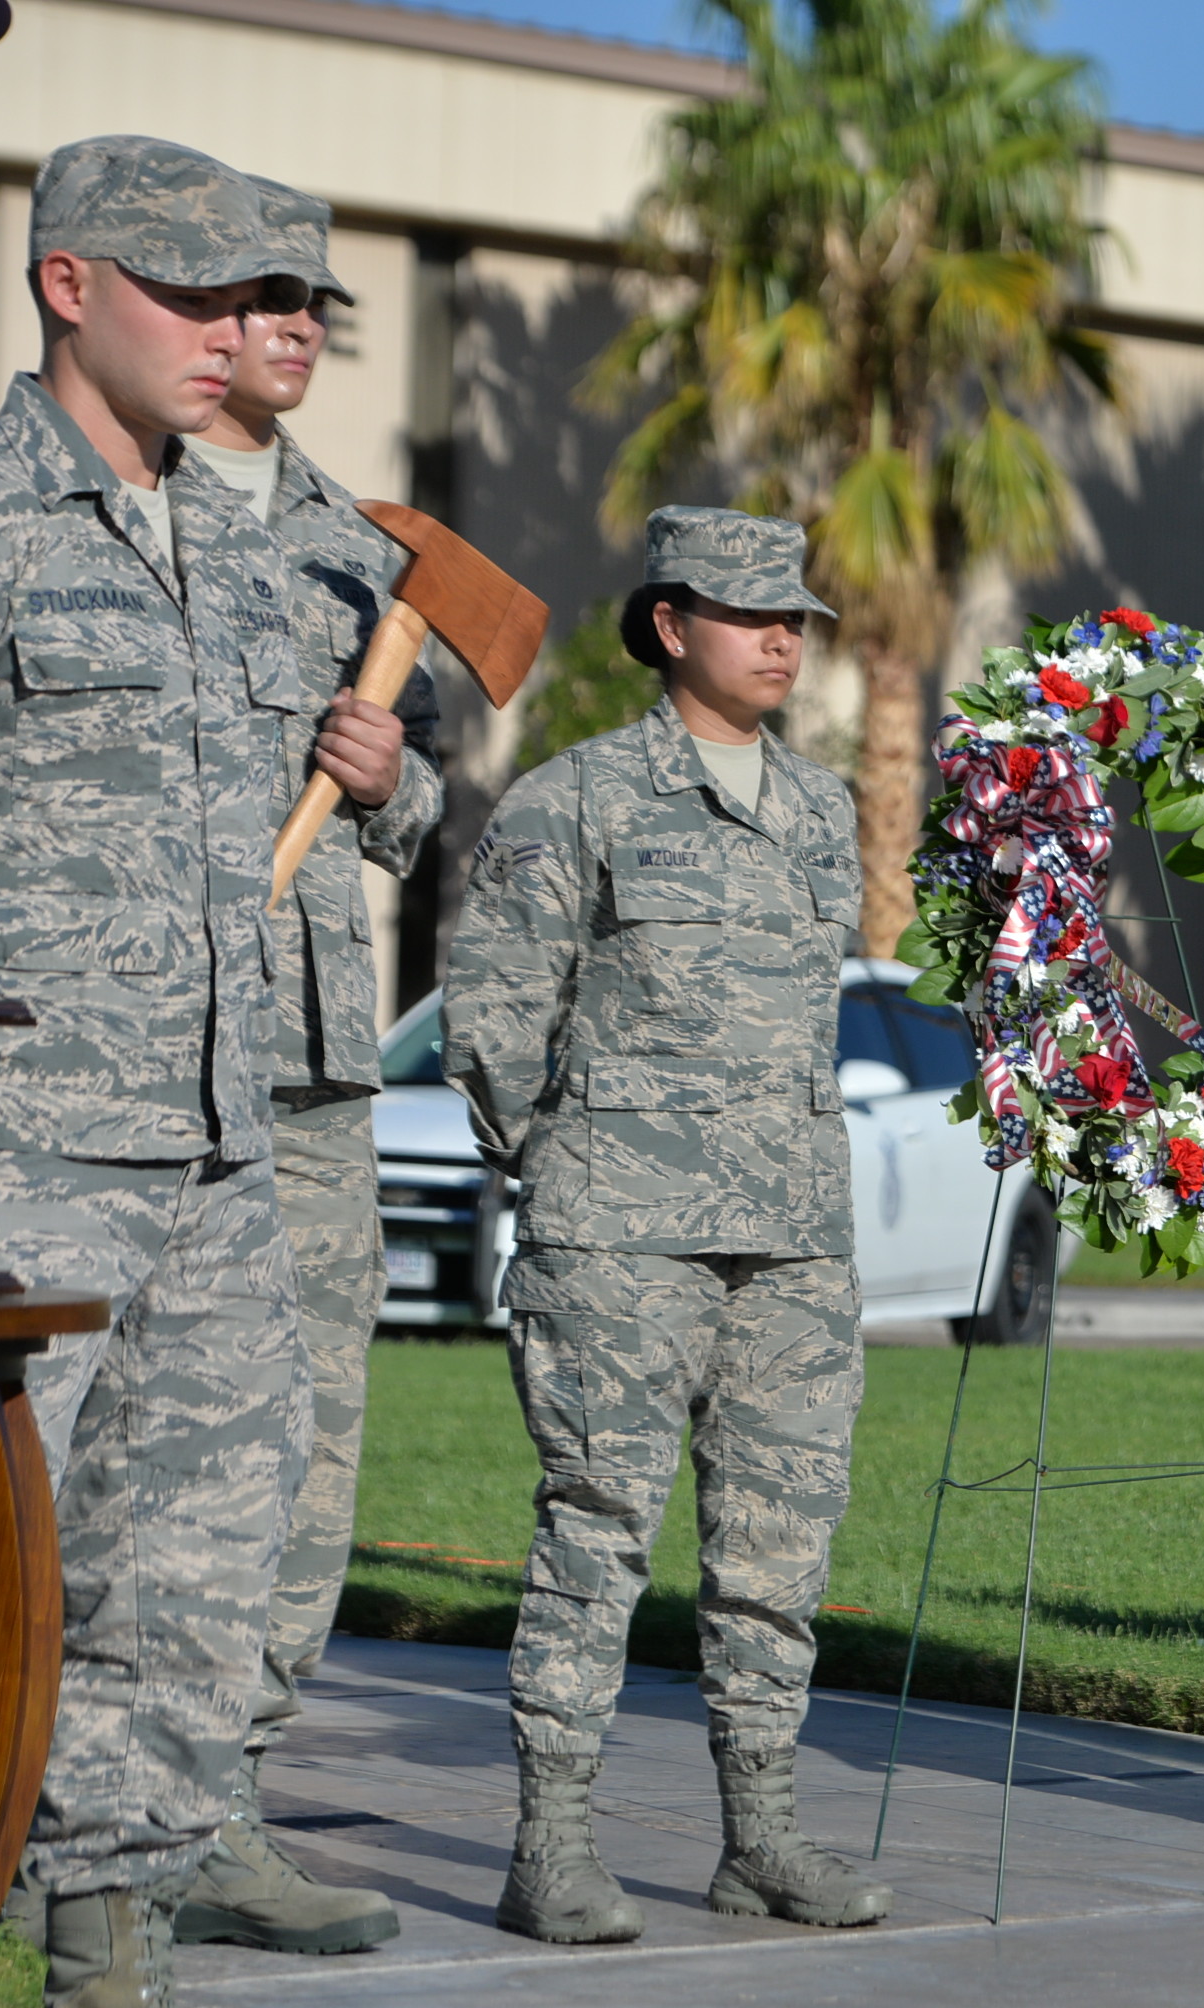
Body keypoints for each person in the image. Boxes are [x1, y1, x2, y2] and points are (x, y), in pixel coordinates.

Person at [0, 135, 327, 2003]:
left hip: (217, 1143)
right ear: (65, 284)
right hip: (16, 1149)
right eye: (186, 291)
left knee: (194, 1571)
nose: (231, 330)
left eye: (247, 296)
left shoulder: (241, 548)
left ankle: (105, 1934)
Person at [443, 506, 884, 1943]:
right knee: (599, 1535)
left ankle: (760, 1835)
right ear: (667, 626)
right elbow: (498, 1016)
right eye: (746, 614)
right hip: (619, 1241)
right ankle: (551, 1842)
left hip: (794, 1241)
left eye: (794, 618)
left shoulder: (822, 808)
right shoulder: (580, 800)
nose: (780, 639)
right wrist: (572, 1171)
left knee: (778, 1554)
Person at [166, 175, 444, 1960]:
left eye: (317, 301)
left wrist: (391, 768)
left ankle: (218, 1802)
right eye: (263, 293)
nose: (296, 323)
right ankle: (68, 1785)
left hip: (321, 1066)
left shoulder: (361, 542)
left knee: (306, 1448)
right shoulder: (113, 500)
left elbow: (407, 829)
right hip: (140, 1049)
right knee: (128, 1437)